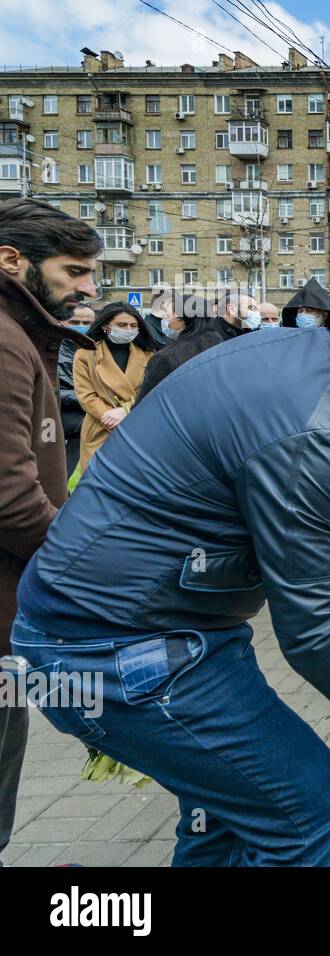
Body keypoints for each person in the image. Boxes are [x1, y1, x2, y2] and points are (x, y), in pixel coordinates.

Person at [13, 272, 330, 866]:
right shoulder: (318, 427)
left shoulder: (292, 354)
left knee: (226, 819)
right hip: (116, 644)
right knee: (308, 807)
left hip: (152, 624)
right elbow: (313, 631)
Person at [0, 197, 99, 864]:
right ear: (11, 262)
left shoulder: (19, 335)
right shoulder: (6, 343)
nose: (88, 288)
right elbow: (10, 498)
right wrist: (87, 573)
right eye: (72, 272)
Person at [71, 302, 161, 476]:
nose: (128, 329)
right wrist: (110, 417)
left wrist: (127, 411)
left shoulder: (149, 354)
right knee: (98, 484)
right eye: (122, 325)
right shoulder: (86, 354)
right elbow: (86, 396)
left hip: (137, 427)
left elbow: (151, 391)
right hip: (100, 427)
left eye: (133, 326)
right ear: (106, 325)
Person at [135, 290, 255, 403]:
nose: (164, 321)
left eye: (167, 315)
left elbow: (145, 405)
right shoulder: (227, 348)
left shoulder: (165, 359)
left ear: (179, 318)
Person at [58, 303, 96, 478]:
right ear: (62, 322)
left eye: (87, 322)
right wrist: (85, 398)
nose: (81, 326)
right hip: (56, 424)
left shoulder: (98, 352)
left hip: (84, 426)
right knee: (53, 475)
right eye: (75, 321)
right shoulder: (51, 350)